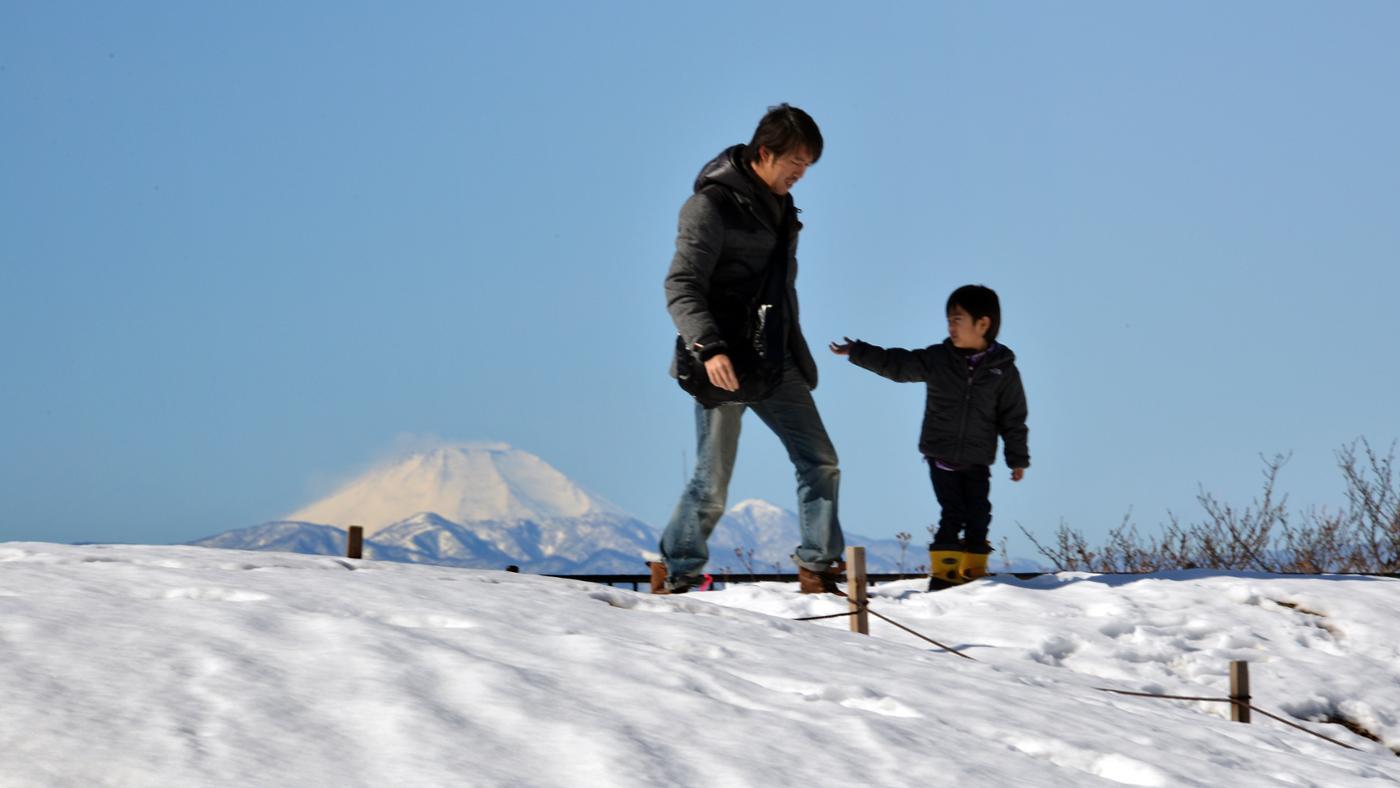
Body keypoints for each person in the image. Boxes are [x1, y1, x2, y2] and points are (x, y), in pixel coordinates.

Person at [657, 104, 846, 595]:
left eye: (808, 165)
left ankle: (818, 567)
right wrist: (709, 347)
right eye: (796, 163)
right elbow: (681, 285)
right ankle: (679, 571)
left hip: (773, 357)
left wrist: (795, 352)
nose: (802, 174)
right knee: (713, 480)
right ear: (766, 153)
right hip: (721, 360)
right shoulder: (709, 207)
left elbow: (780, 292)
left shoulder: (782, 210)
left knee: (819, 458)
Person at [830, 284, 1030, 590]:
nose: (950, 326)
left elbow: (1013, 418)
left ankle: (973, 574)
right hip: (942, 456)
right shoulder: (939, 359)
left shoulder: (1003, 370)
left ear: (983, 324)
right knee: (953, 512)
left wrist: (1017, 458)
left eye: (957, 319)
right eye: (949, 319)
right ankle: (944, 576)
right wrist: (859, 352)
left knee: (979, 515)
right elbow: (898, 365)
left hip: (978, 459)